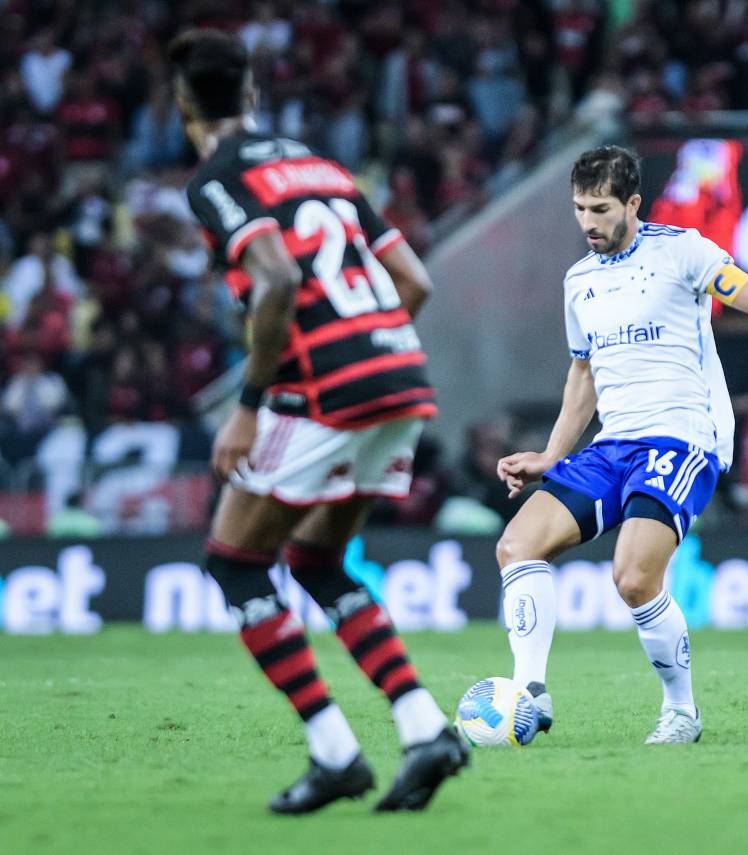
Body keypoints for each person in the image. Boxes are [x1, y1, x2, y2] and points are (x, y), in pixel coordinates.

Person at [169, 30, 466, 814]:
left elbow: (273, 280)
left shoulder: (219, 177)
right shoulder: (320, 165)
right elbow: (414, 278)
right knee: (317, 562)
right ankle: (424, 725)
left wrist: (250, 405)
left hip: (327, 390)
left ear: (183, 105)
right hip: (400, 373)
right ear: (254, 95)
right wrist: (366, 344)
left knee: (235, 560)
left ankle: (335, 752)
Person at [493, 146, 748, 744]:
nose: (588, 222)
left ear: (632, 203)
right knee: (518, 545)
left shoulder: (683, 251)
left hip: (683, 437)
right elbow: (584, 375)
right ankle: (529, 693)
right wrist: (553, 455)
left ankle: (681, 710)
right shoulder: (578, 281)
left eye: (600, 208)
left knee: (633, 578)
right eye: (579, 208)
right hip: (613, 443)